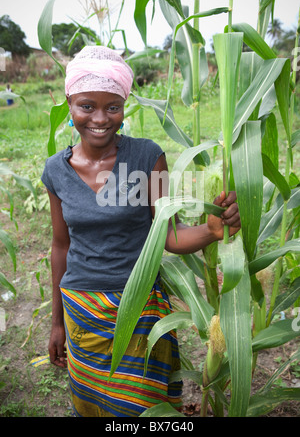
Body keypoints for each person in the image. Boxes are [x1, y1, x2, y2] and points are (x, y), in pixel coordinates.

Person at [41, 45, 240, 418]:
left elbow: (170, 236)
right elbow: (60, 246)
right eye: (87, 105)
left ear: (124, 106)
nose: (100, 118)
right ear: (69, 103)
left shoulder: (148, 157)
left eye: (112, 107)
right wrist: (56, 323)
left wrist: (214, 230)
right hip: (82, 311)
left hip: (140, 309)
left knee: (144, 411)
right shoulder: (56, 170)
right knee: (92, 406)